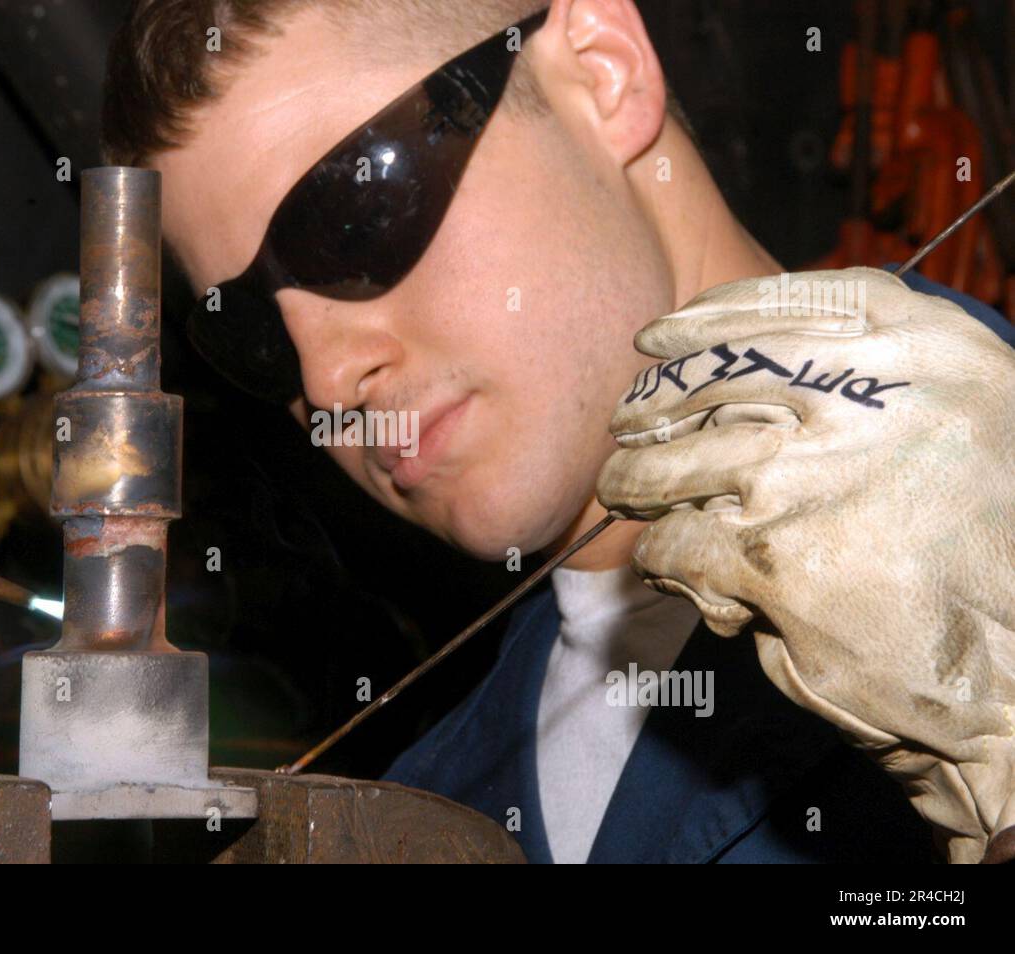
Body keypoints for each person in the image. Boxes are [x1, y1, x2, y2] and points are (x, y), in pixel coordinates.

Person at [101, 0, 1015, 862]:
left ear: (601, 69)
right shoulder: (427, 811)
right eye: (249, 327)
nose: (325, 377)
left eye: (353, 220)